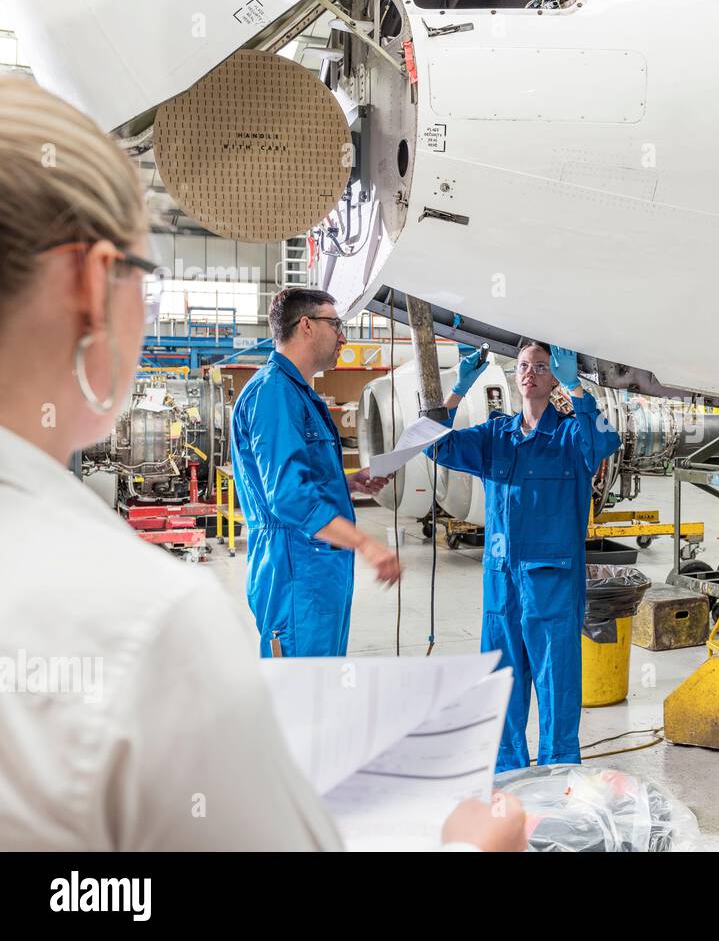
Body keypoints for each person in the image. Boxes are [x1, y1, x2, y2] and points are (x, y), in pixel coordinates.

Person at [0, 75, 523, 850]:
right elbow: (286, 496)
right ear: (87, 287)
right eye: (143, 281)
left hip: (311, 574)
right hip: (300, 576)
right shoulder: (149, 624)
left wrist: (356, 484)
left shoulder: (290, 398)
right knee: (305, 718)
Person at [432, 340, 622, 770]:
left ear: (553, 376)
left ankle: (558, 777)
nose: (529, 373)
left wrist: (577, 389)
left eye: (540, 366)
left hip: (552, 583)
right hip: (501, 583)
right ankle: (506, 776)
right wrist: (459, 389)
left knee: (557, 686)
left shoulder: (573, 436)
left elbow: (606, 438)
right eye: (523, 365)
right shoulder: (496, 436)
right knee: (501, 684)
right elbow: (436, 446)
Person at [230, 288, 400, 657]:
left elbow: (303, 479)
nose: (343, 337)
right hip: (295, 569)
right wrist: (366, 544)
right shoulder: (273, 392)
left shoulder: (299, 393)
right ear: (306, 326)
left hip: (316, 568)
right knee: (302, 699)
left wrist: (347, 482)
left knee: (322, 691)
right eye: (335, 325)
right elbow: (289, 496)